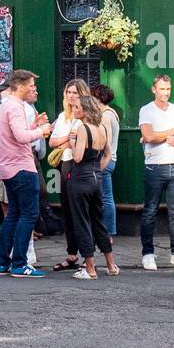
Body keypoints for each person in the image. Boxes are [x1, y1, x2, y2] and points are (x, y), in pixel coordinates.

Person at [0, 69, 51, 278]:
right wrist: (42, 131)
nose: (32, 89)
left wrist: (34, 124)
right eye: (30, 85)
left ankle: (2, 262)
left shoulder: (4, 106)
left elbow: (12, 133)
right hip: (22, 167)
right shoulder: (16, 107)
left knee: (14, 214)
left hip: (8, 168)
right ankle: (19, 263)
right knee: (29, 214)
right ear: (19, 85)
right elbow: (20, 136)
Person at [138, 74, 174, 271]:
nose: (165, 93)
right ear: (154, 90)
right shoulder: (146, 110)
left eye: (168, 89)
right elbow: (148, 135)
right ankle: (148, 253)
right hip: (155, 167)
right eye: (162, 89)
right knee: (150, 210)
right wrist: (172, 132)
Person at [68, 94, 118, 280]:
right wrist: (97, 170)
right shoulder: (102, 128)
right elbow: (108, 154)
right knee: (99, 222)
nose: (74, 110)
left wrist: (72, 142)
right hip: (96, 179)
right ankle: (111, 265)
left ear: (86, 110)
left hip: (80, 179)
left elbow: (78, 157)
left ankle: (90, 269)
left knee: (81, 222)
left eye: (77, 107)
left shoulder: (83, 129)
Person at [47, 78, 86, 270]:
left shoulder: (85, 116)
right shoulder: (63, 116)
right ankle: (72, 255)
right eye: (68, 92)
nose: (71, 96)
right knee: (68, 210)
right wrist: (67, 139)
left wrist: (69, 140)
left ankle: (88, 255)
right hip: (64, 164)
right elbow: (52, 142)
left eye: (75, 93)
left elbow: (80, 141)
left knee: (81, 210)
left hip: (79, 164)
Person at [91, 84, 120, 237]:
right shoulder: (112, 113)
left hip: (105, 161)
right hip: (110, 160)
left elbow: (104, 142)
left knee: (106, 198)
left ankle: (108, 232)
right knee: (105, 197)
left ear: (98, 98)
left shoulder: (105, 116)